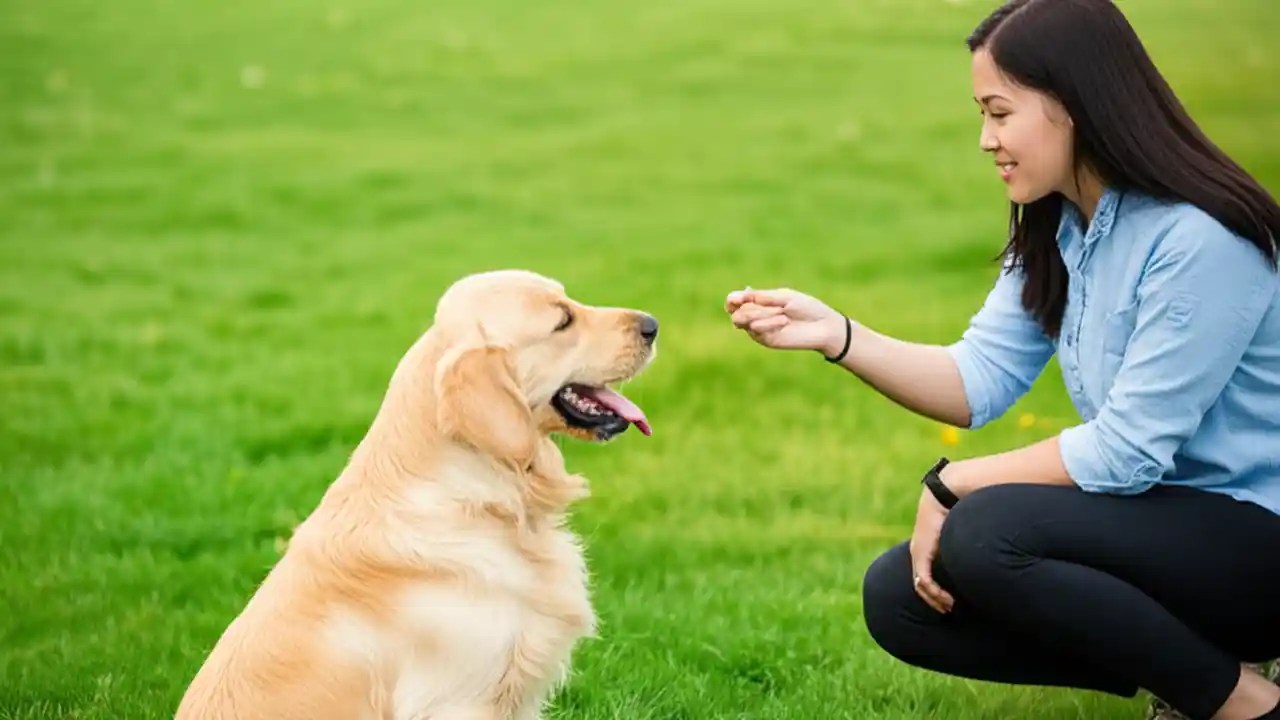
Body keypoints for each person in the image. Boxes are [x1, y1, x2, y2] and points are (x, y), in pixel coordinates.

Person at [723, 1, 1280, 718]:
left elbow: (1128, 452)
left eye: (1000, 112)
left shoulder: (1199, 240)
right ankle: (1200, 669)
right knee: (901, 597)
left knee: (989, 532)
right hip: (1164, 531)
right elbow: (976, 380)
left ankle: (1243, 704)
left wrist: (953, 483)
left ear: (1074, 105)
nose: (986, 139)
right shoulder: (1060, 225)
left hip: (1258, 539)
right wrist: (841, 336)